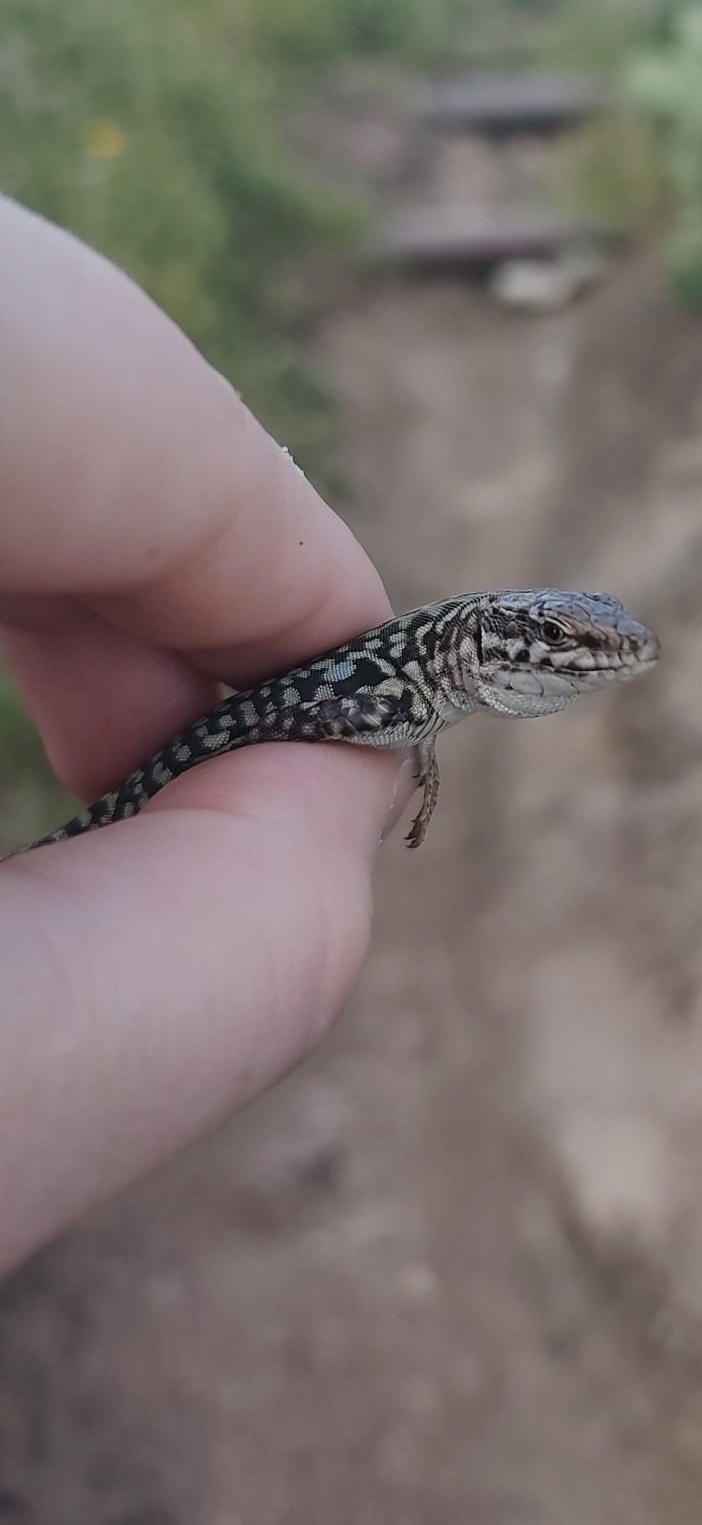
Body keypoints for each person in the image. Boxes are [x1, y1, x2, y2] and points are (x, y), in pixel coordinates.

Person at [0, 195, 406, 1272]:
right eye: (553, 638)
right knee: (114, 812)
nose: (577, 654)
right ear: (492, 644)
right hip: (185, 760)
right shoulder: (390, 689)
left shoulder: (406, 692)